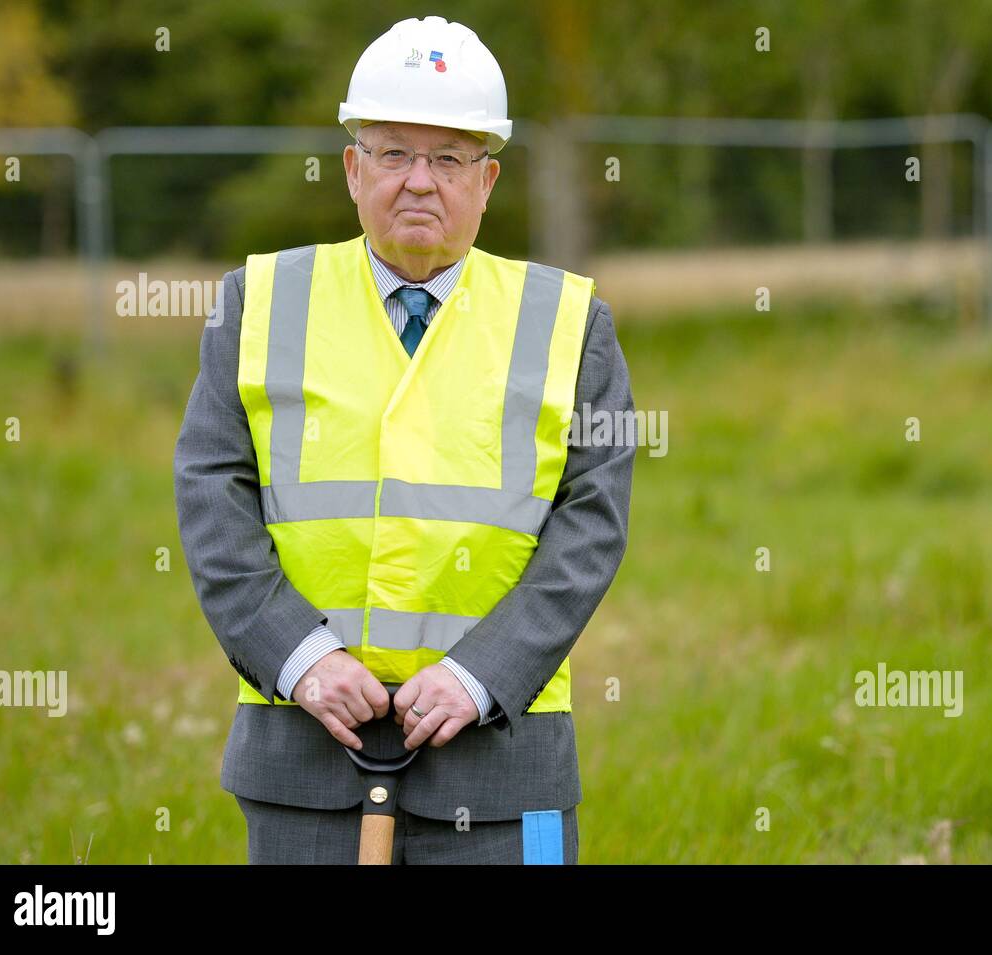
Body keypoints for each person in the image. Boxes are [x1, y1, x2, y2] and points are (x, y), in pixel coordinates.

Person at [173, 15, 635, 864]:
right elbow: (211, 496)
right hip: (302, 764)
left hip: (506, 768)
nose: (420, 181)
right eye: (393, 153)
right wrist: (301, 657)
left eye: (449, 158)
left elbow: (592, 528)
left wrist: (481, 673)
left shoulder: (571, 323)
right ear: (353, 170)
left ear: (488, 180)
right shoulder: (259, 302)